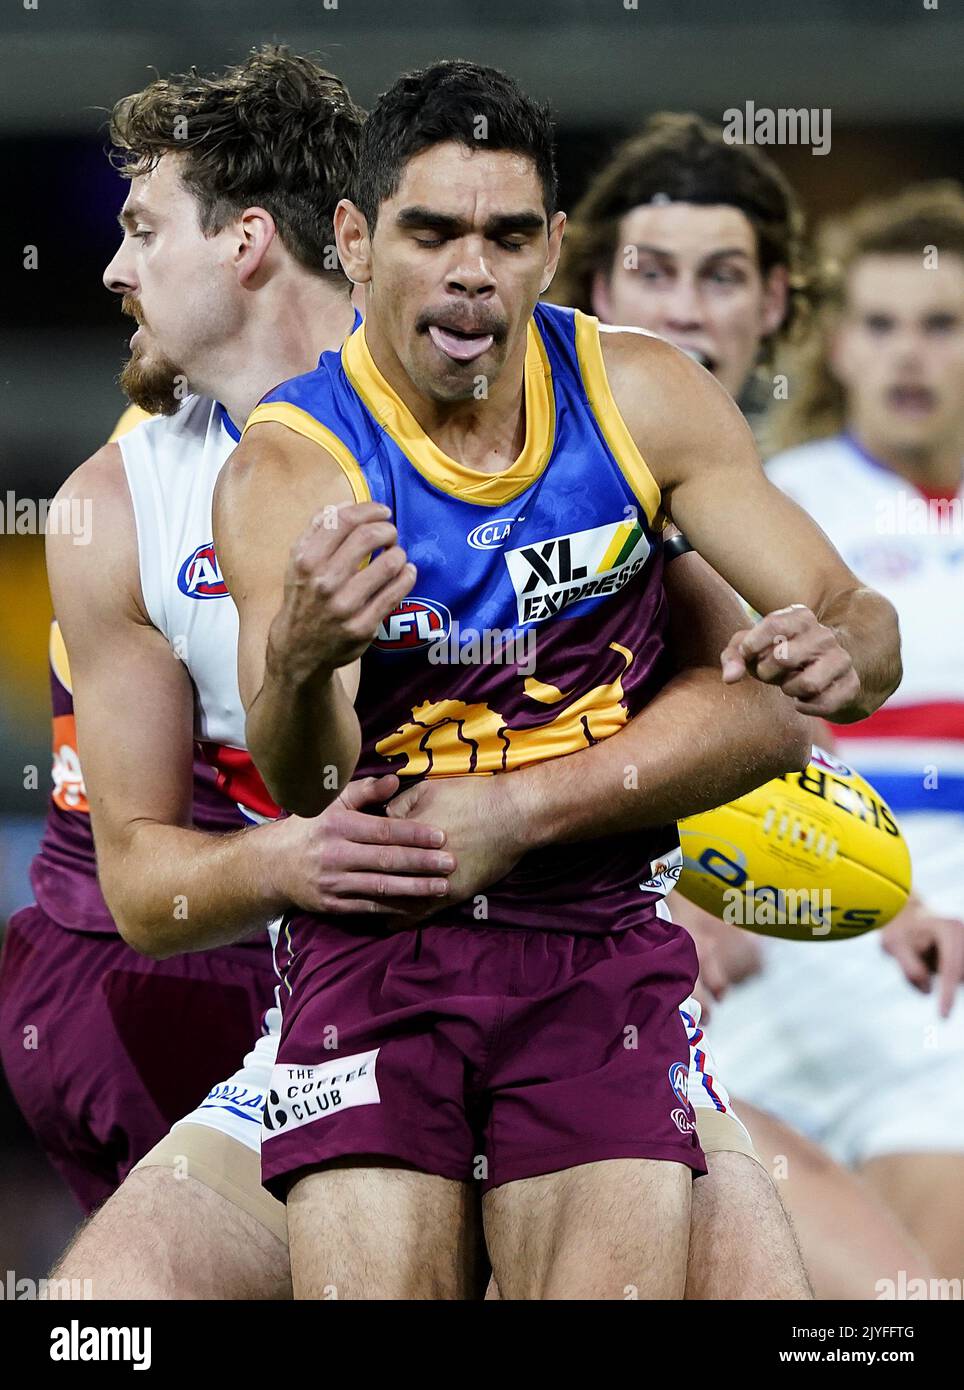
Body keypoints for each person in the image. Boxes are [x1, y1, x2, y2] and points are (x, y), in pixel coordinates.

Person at [44, 52, 806, 1303]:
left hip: (578, 979)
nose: (114, 268)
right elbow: (143, 886)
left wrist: (531, 813)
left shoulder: (533, 393)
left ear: (251, 243)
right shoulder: (113, 510)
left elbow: (764, 700)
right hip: (348, 990)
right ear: (355, 234)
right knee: (88, 1330)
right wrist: (290, 858)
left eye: (141, 227)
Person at [217, 61, 899, 1300]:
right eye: (432, 231)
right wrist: (304, 657)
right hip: (380, 947)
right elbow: (302, 777)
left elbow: (850, 635)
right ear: (359, 244)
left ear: (554, 247)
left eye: (507, 234)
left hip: (596, 943)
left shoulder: (640, 393)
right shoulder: (291, 466)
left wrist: (847, 639)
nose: (472, 268)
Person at [549, 111, 953, 1298]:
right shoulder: (506, 501)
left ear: (777, 300)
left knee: (901, 1304)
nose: (683, 311)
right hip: (590, 998)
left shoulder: (789, 512)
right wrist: (666, 890)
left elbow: (825, 718)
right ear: (590, 284)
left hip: (828, 990)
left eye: (720, 276)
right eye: (653, 274)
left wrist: (883, 900)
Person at [707, 182, 964, 1281]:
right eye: (879, 322)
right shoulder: (775, 504)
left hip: (939, 983)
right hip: (783, 943)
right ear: (835, 346)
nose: (908, 352)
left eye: (942, 323)